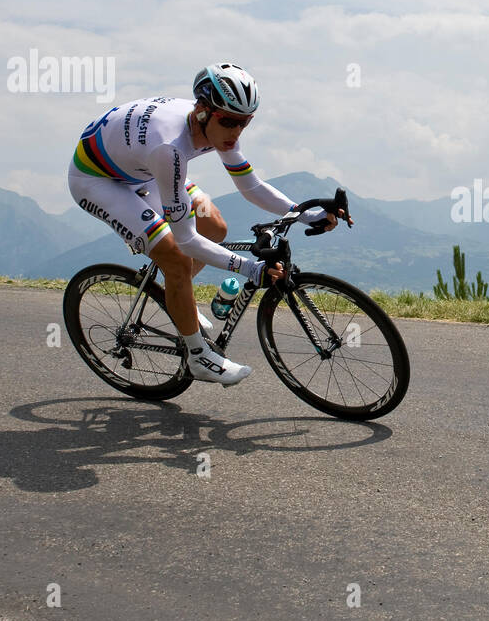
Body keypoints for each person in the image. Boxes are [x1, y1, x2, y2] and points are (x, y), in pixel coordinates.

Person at [67, 63, 346, 386]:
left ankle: (177, 298)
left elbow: (250, 186)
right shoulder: (170, 148)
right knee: (175, 256)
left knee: (214, 226)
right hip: (98, 180)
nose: (235, 132)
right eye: (229, 122)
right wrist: (250, 269)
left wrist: (306, 214)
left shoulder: (217, 125)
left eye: (245, 123)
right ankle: (198, 355)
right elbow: (185, 240)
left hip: (139, 168)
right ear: (202, 111)